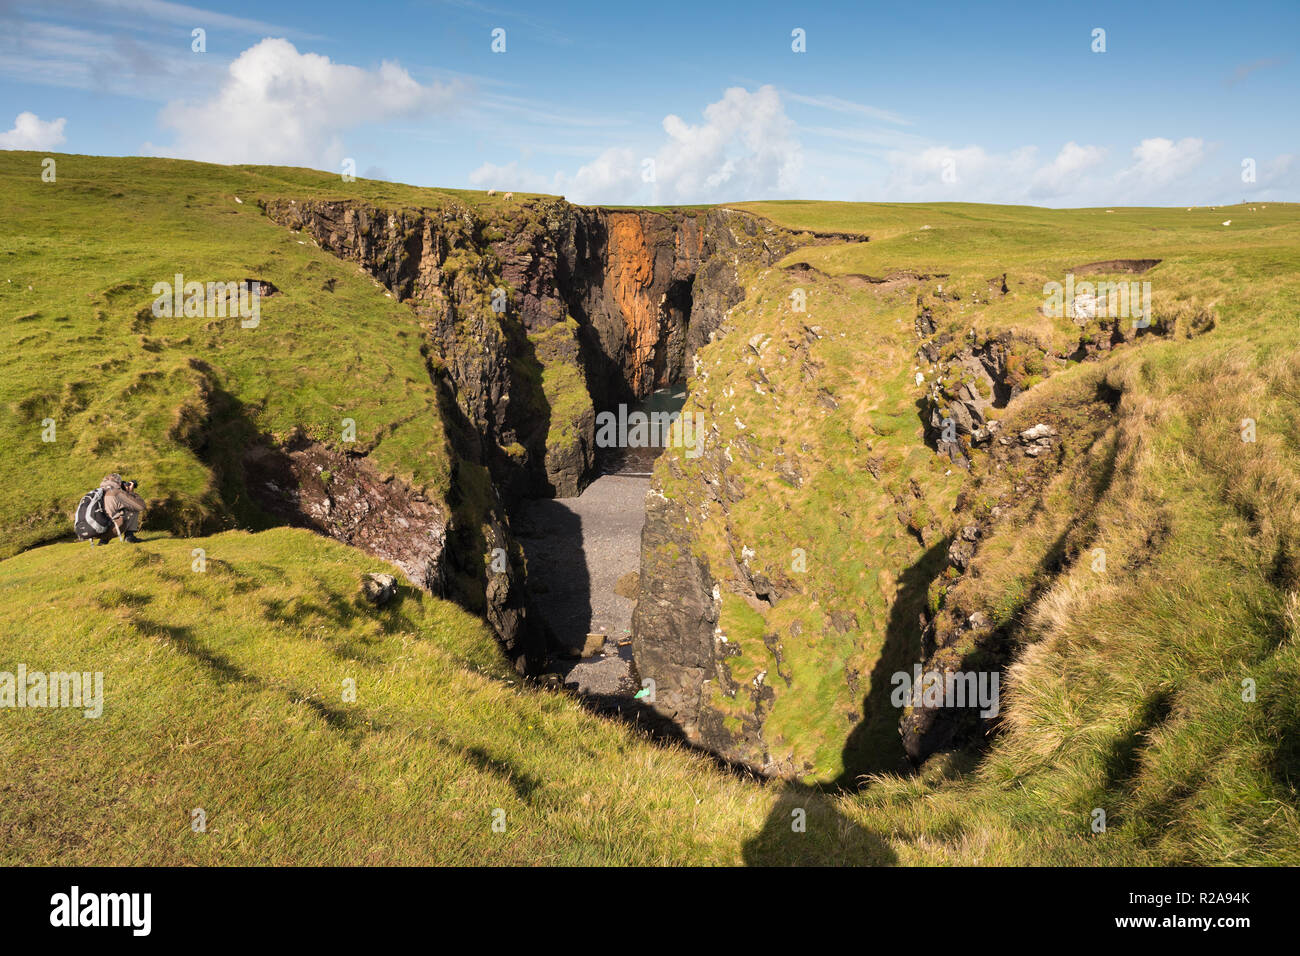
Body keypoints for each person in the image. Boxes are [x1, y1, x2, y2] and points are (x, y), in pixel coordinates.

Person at [96, 473, 146, 545]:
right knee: (132, 508)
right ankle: (129, 536)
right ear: (118, 482)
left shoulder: (99, 491)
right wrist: (130, 493)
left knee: (110, 514)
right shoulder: (116, 492)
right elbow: (141, 506)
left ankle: (103, 541)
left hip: (96, 529)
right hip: (111, 529)